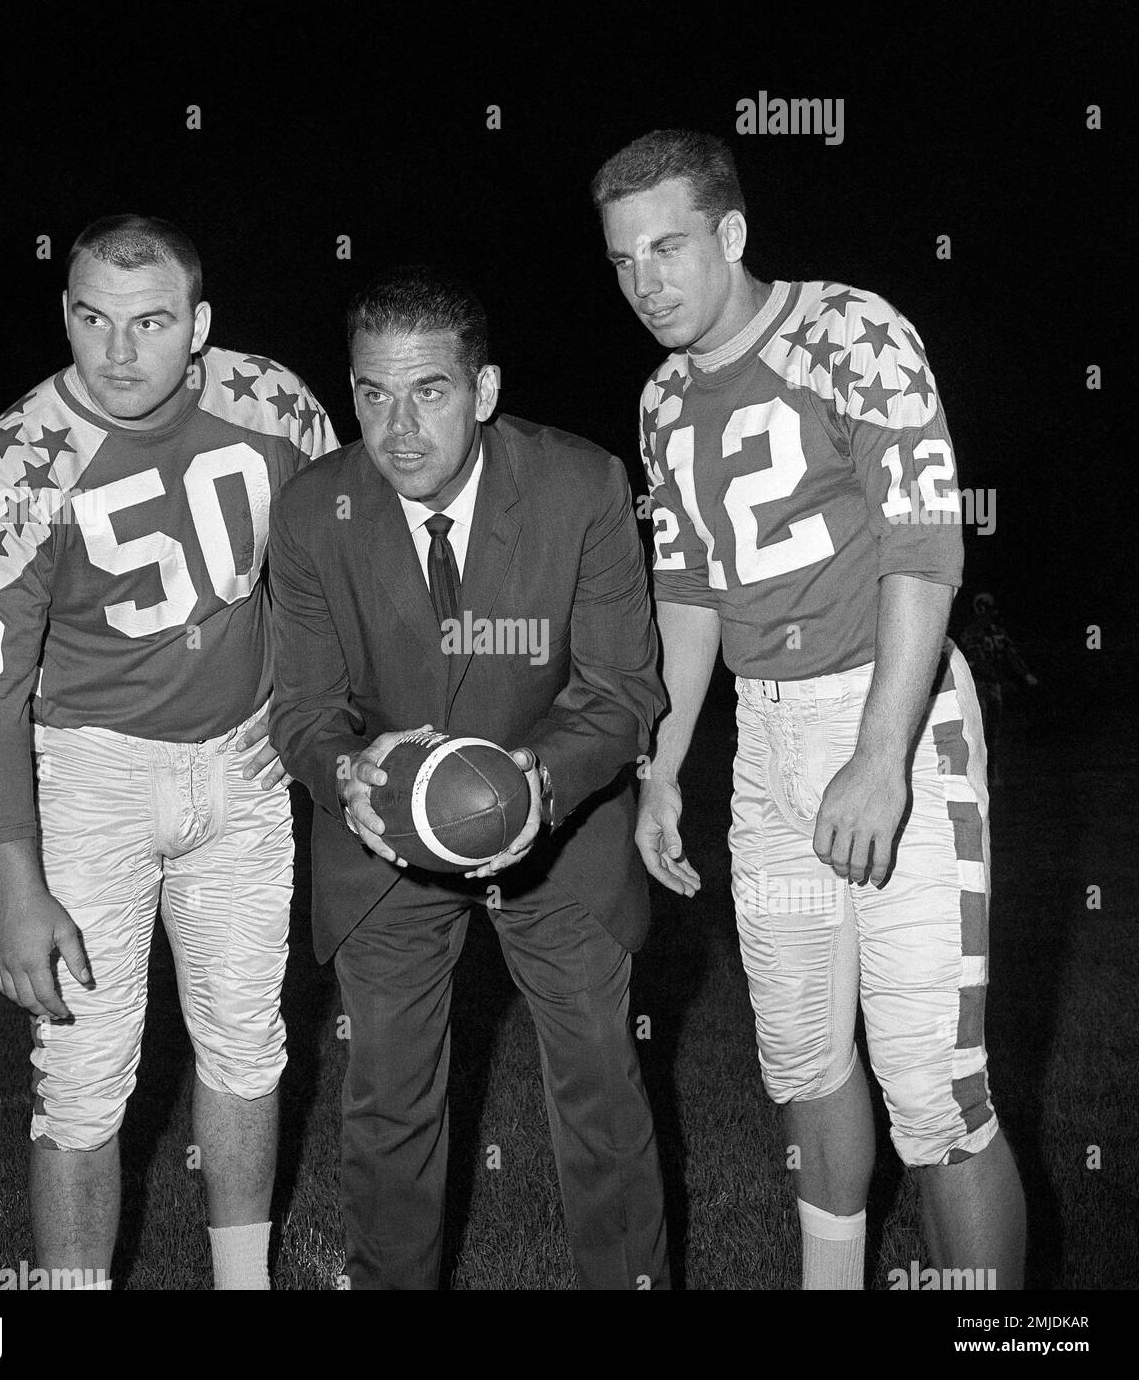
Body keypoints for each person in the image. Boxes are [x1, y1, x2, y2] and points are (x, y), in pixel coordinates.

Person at [594, 130, 1026, 1289]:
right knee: (801, 1058)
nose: (647, 282)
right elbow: (684, 591)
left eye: (669, 247)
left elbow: (924, 546)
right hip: (768, 744)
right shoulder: (663, 396)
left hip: (891, 719)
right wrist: (660, 767)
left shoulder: (850, 331)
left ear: (731, 234)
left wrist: (881, 757)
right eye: (624, 260)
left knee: (937, 1087)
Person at [0, 214, 337, 1289]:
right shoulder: (15, 465)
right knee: (78, 1076)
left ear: (198, 324)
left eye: (151, 322)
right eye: (93, 319)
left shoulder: (271, 404)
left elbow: (332, 568)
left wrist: (305, 714)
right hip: (90, 775)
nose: (119, 352)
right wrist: (10, 877)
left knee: (249, 1048)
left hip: (243, 766)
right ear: (65, 313)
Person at [270, 265, 670, 1290]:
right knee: (388, 1099)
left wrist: (540, 778)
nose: (398, 428)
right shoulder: (315, 510)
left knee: (597, 1079)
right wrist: (347, 772)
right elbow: (304, 710)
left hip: (559, 825)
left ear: (483, 390)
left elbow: (622, 689)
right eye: (371, 393)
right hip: (386, 843)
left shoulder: (582, 485)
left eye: (429, 390)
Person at [959, 593, 1037, 787]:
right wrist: (1003, 678)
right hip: (977, 686)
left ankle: (991, 773)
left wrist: (1025, 674)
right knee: (979, 731)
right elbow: (976, 663)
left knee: (992, 733)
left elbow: (1011, 655)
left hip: (993, 686)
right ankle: (976, 774)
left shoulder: (997, 632)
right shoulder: (970, 633)